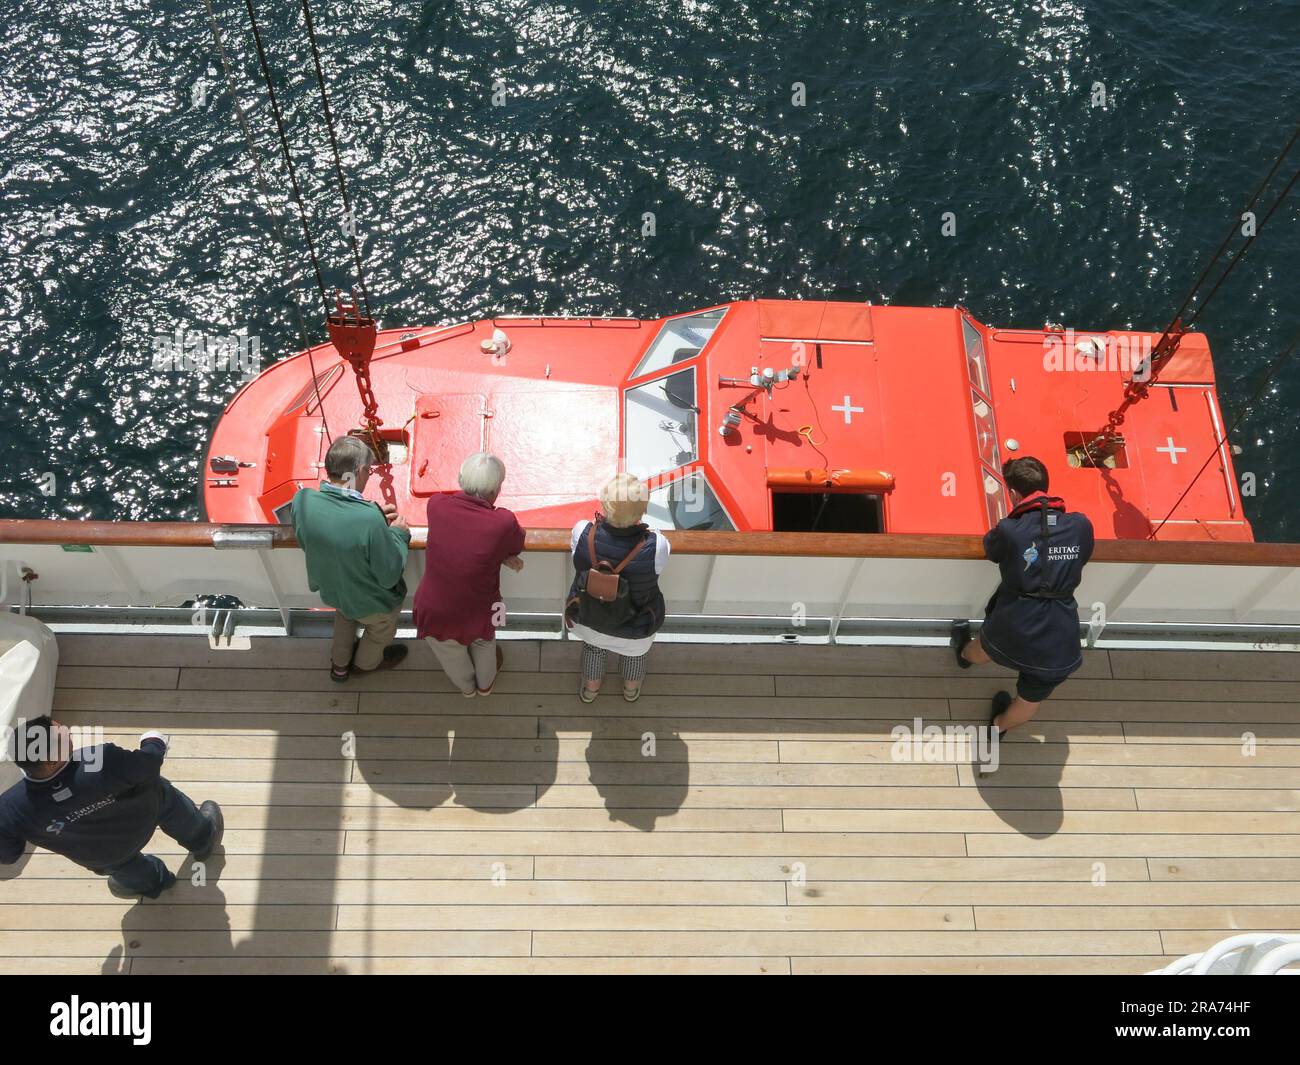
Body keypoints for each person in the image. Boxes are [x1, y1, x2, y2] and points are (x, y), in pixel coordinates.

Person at [0, 716, 223, 899]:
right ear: (52, 761)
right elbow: (148, 765)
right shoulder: (104, 760)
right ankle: (202, 840)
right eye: (61, 732)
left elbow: (8, 855)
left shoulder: (9, 809)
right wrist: (154, 741)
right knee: (167, 799)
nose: (66, 729)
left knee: (128, 871)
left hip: (104, 855)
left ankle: (155, 882)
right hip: (147, 812)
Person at [952, 456, 1094, 734]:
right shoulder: (1081, 526)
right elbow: (1082, 555)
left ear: (1014, 493)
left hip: (1017, 620)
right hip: (1058, 635)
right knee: (1029, 700)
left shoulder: (1010, 530)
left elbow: (992, 550)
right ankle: (998, 727)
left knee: (984, 648)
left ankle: (964, 657)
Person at [292, 435, 411, 681]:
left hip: (335, 590)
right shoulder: (368, 520)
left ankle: (339, 667)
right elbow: (389, 576)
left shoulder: (302, 500)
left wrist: (373, 513)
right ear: (360, 471)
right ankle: (364, 666)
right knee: (379, 633)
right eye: (368, 470)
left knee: (345, 618)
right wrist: (398, 534)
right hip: (372, 602)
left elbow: (328, 526)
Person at [414, 452, 525, 697]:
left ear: (461, 479)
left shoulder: (436, 505)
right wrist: (503, 555)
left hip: (433, 609)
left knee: (450, 655)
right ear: (496, 489)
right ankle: (485, 687)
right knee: (486, 642)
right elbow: (516, 544)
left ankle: (467, 689)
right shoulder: (503, 520)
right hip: (485, 608)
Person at [566, 473, 669, 703]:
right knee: (635, 654)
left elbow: (576, 554)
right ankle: (630, 690)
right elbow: (657, 567)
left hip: (589, 618)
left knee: (594, 648)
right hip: (636, 626)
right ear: (642, 511)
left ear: (604, 505)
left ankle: (591, 690)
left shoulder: (583, 531)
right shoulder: (657, 545)